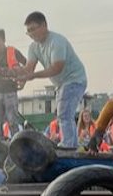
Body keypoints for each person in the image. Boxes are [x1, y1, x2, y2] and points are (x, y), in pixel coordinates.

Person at [18, 11, 88, 150]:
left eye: (33, 29)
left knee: (64, 112)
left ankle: (69, 145)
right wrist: (21, 79)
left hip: (75, 79)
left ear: (44, 25)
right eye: (28, 32)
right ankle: (71, 145)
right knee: (64, 113)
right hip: (61, 84)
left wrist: (33, 76)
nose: (31, 34)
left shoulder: (57, 41)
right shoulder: (33, 47)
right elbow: (29, 69)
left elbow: (57, 68)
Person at [0, 29, 27, 140]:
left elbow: (27, 64)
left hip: (10, 92)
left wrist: (23, 80)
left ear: (4, 40)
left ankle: (16, 143)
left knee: (12, 121)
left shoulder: (13, 51)